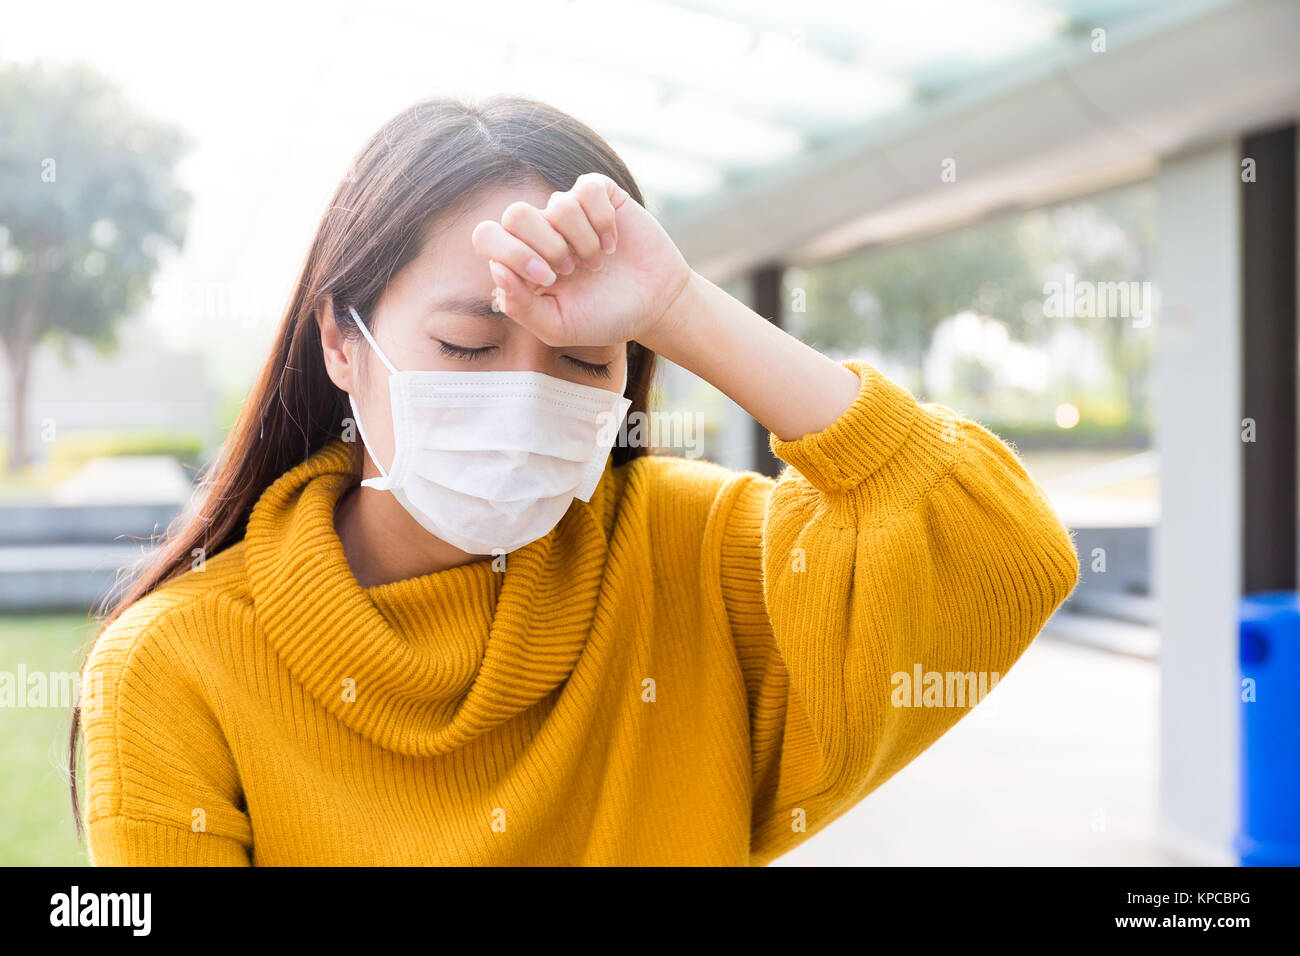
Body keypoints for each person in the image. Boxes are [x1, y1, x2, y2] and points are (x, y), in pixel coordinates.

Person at [70, 95, 1079, 866]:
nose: (522, 398)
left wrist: (679, 306)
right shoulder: (178, 666)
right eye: (468, 345)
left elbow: (1001, 549)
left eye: (584, 358)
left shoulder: (692, 553)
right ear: (341, 339)